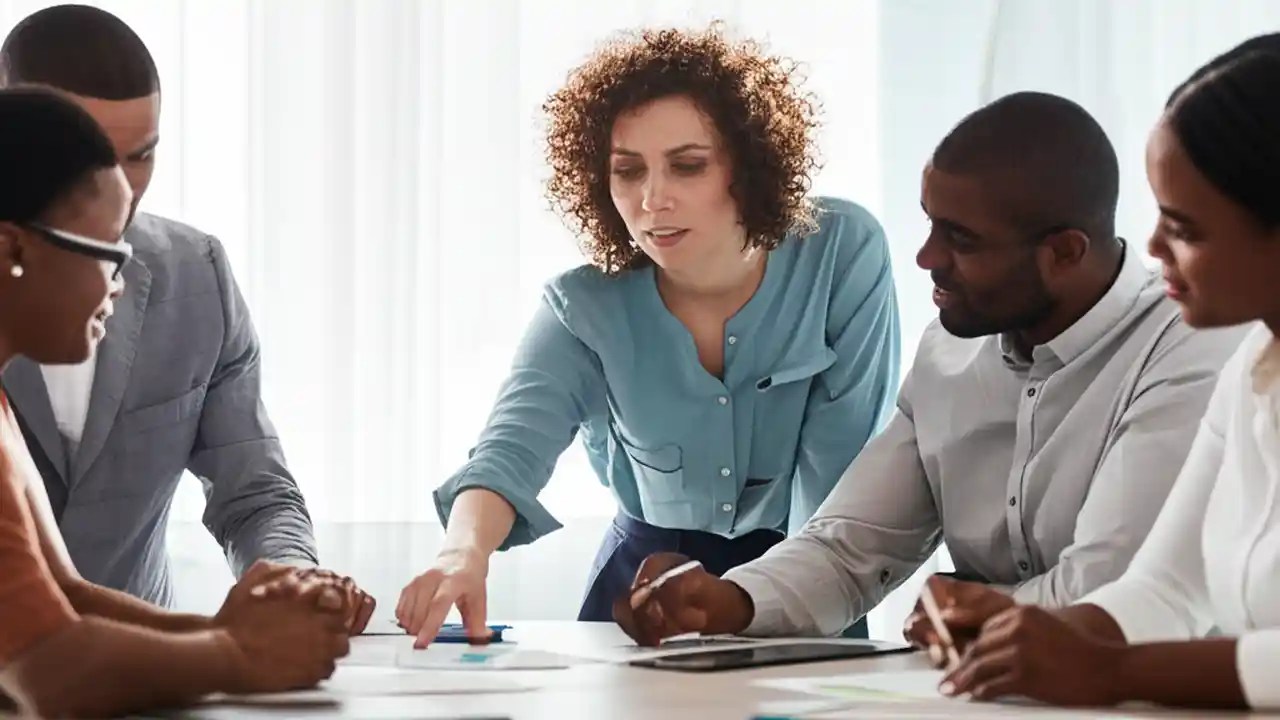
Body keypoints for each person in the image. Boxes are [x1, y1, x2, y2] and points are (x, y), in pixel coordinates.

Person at [611, 90, 1249, 647]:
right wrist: (729, 602)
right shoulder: (948, 353)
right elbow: (850, 548)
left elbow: (1116, 589)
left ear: (1063, 253)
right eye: (930, 224)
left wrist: (986, 613)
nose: (925, 257)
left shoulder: (1192, 348)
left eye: (961, 240)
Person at [395, 22, 901, 645]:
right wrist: (461, 556)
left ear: (750, 168)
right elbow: (508, 452)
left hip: (806, 574)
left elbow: (840, 471)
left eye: (687, 167)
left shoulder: (842, 252)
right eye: (628, 171)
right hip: (643, 595)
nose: (652, 199)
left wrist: (776, 602)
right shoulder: (582, 305)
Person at [928, 45, 1280, 712]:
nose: (1151, 248)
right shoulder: (1250, 372)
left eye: (1184, 228)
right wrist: (1018, 634)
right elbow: (1164, 590)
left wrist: (1112, 674)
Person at [0, 4, 371, 628]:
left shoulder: (197, 275)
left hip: (147, 674)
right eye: (88, 157)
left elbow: (253, 490)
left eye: (140, 155)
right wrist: (232, 649)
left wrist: (290, 585)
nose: (118, 187)